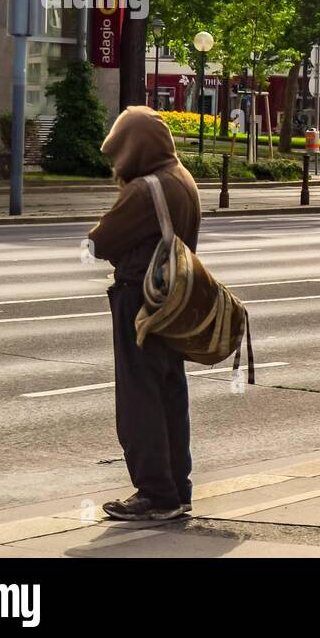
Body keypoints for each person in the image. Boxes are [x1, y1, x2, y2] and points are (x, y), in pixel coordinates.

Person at [87, 107, 201, 521]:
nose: (118, 162)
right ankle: (177, 489)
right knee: (170, 392)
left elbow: (98, 243)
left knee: (139, 398)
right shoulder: (182, 178)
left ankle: (155, 494)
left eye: (120, 152)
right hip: (175, 299)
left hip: (140, 300)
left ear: (136, 147)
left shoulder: (144, 190)